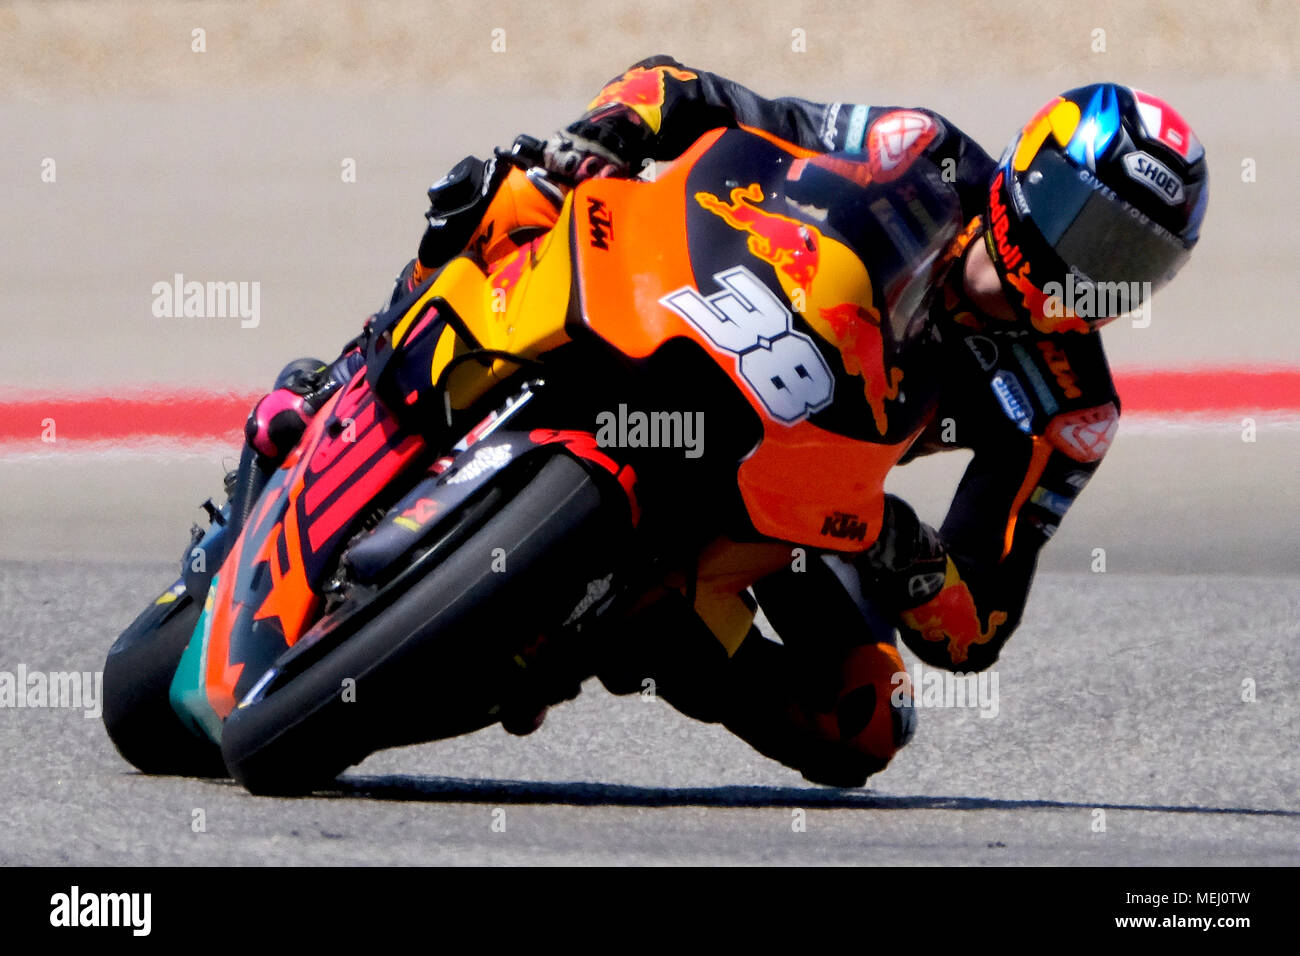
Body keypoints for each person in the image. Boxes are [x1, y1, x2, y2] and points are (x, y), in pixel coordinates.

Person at [244, 55, 1208, 786]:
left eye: (1134, 259)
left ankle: (649, 630)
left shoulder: (1068, 406)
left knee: (865, 724)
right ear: (1033, 173)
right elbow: (711, 100)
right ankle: (343, 373)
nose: (1098, 270)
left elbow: (977, 626)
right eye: (1095, 229)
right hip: (717, 322)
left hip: (808, 489)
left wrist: (910, 560)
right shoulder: (919, 152)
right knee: (524, 189)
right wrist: (612, 129)